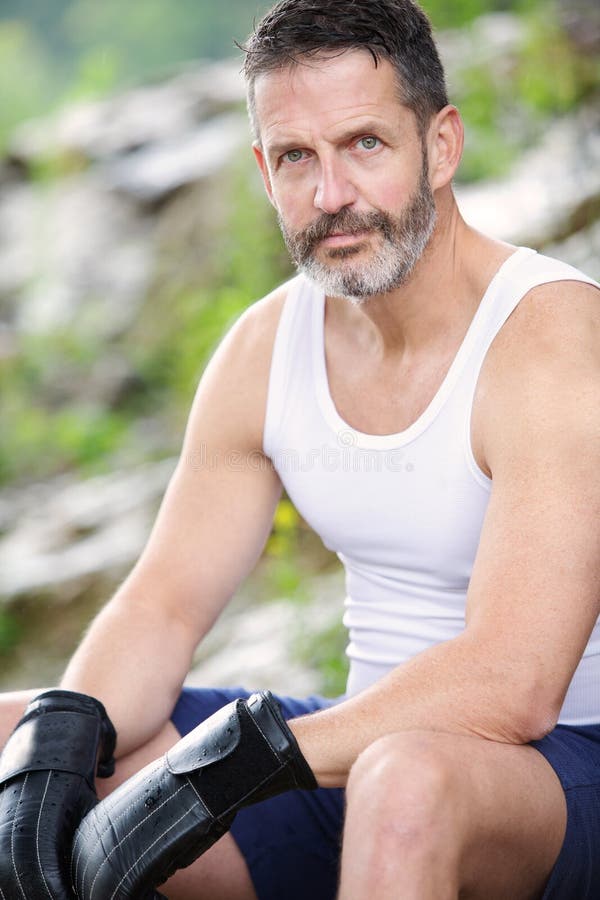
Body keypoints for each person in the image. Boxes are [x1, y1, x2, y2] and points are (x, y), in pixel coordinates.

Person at [0, 0, 599, 897]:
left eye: (364, 144)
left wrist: (221, 772)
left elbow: (514, 683)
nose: (331, 197)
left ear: (441, 146)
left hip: (549, 773)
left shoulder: (551, 337)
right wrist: (60, 739)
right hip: (342, 755)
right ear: (262, 171)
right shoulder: (266, 346)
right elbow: (163, 607)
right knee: (17, 741)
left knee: (406, 780)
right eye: (295, 158)